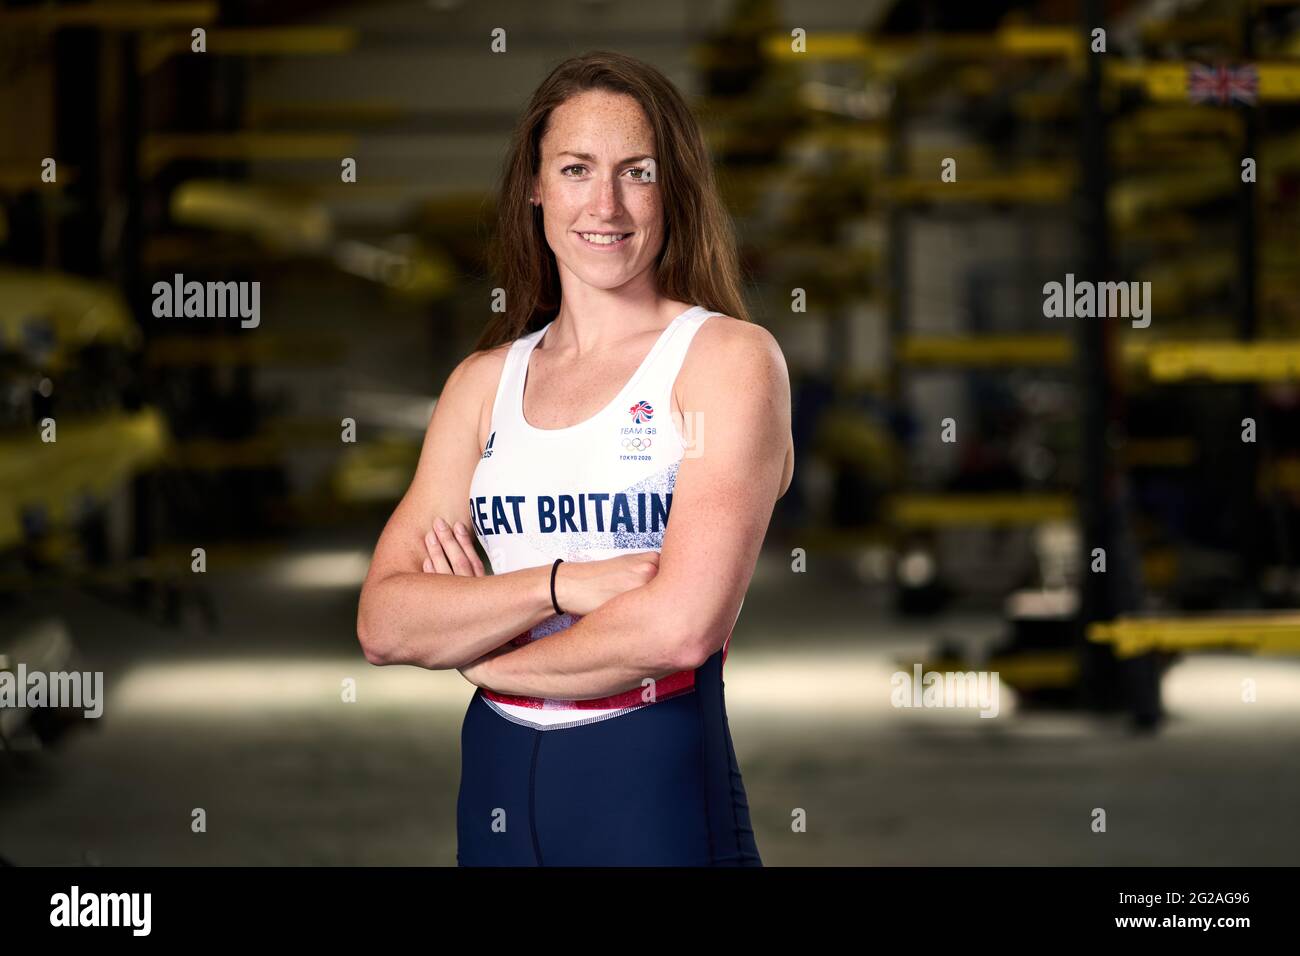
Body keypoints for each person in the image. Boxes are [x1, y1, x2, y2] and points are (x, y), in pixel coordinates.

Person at [357, 50, 793, 866]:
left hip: (648, 777)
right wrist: (560, 584)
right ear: (535, 186)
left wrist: (479, 650)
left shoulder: (726, 361)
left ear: (676, 187)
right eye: (576, 168)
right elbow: (385, 623)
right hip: (493, 779)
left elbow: (679, 628)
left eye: (638, 171)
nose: (607, 204)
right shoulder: (483, 384)